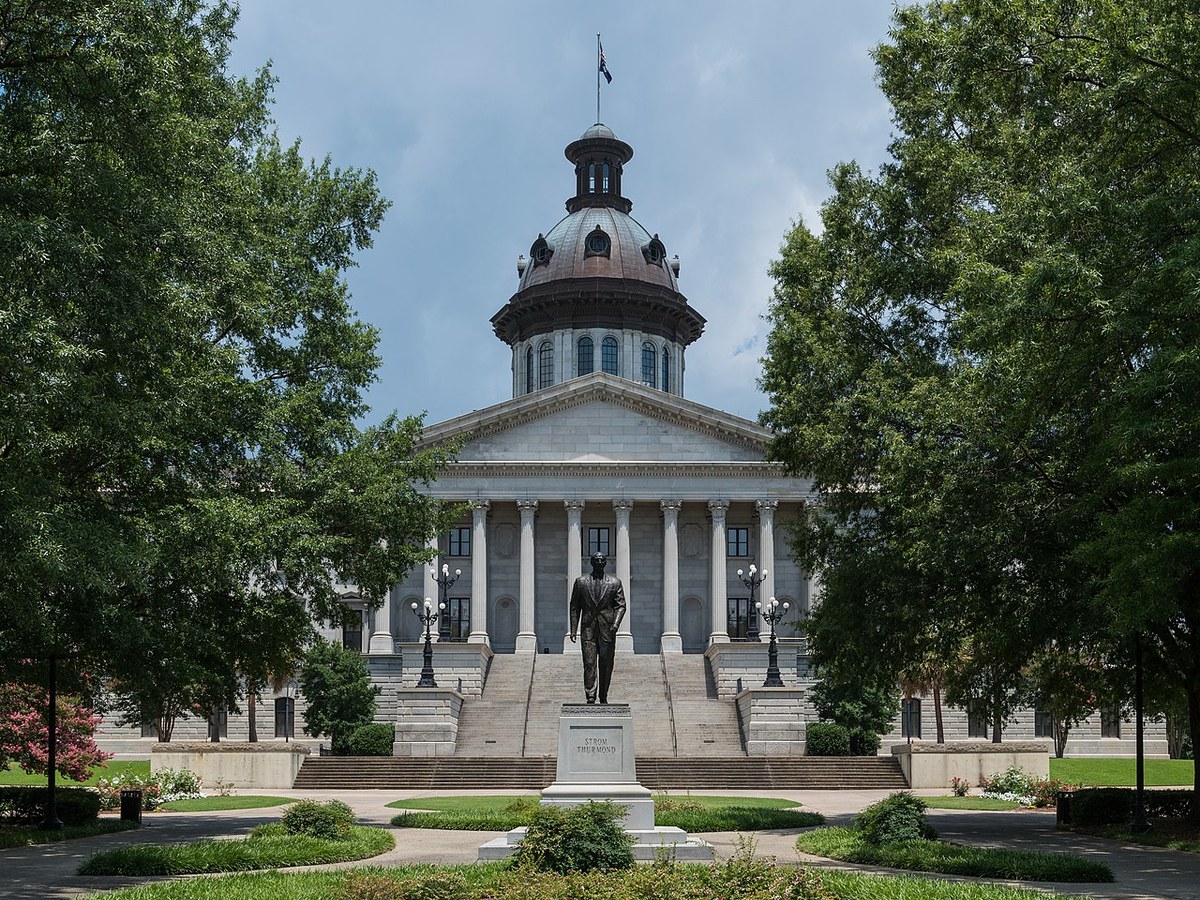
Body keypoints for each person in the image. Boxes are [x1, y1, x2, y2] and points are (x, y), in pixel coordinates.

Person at [569, 552, 626, 704]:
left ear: (606, 563)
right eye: (596, 560)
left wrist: (615, 624)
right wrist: (573, 629)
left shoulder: (615, 583)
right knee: (589, 663)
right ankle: (591, 696)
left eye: (602, 560)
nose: (599, 563)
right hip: (588, 628)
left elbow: (621, 605)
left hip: (608, 629)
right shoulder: (580, 582)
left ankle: (603, 696)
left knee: (606, 664)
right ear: (592, 563)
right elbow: (574, 607)